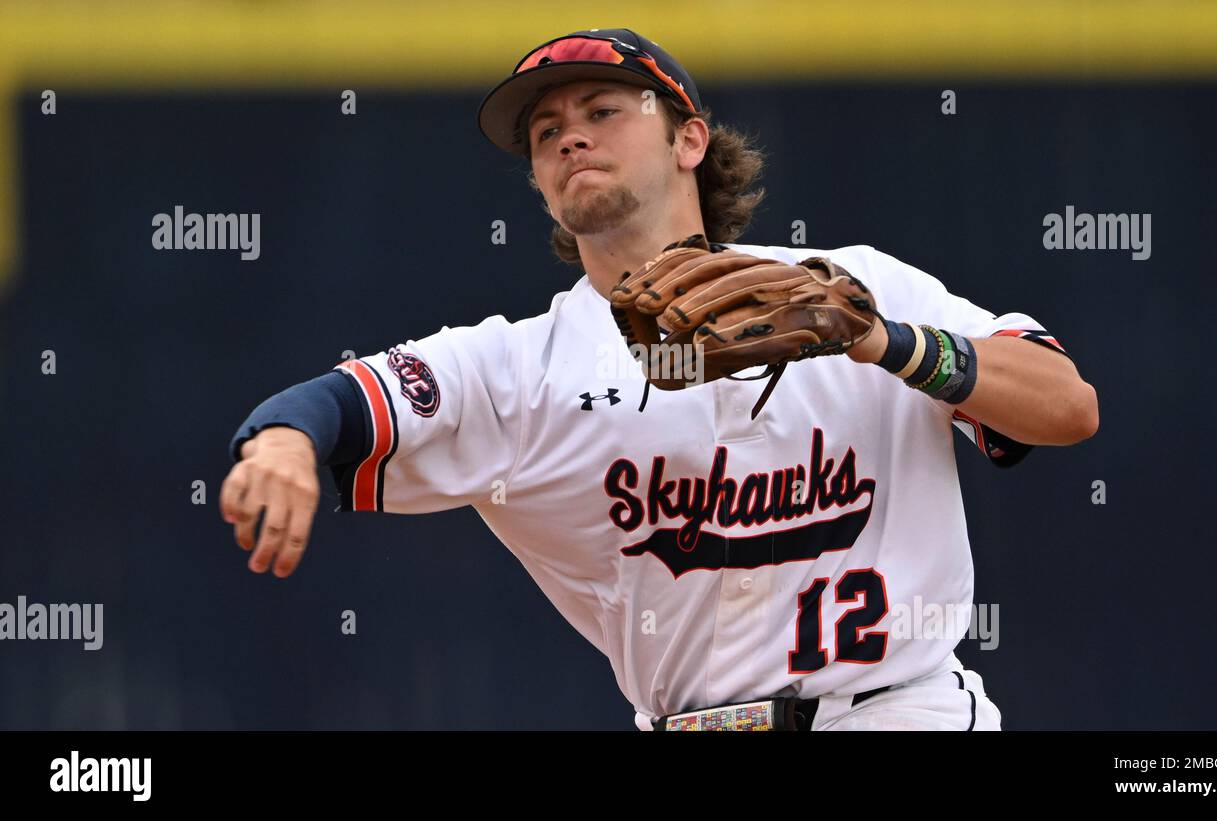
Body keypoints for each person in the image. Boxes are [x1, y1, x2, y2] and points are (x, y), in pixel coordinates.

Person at [221, 28, 1098, 730]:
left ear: (690, 139)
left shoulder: (852, 287)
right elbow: (340, 403)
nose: (569, 135)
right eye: (543, 132)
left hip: (899, 712)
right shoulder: (521, 368)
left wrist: (885, 342)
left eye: (602, 108)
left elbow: (1066, 405)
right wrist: (286, 443)